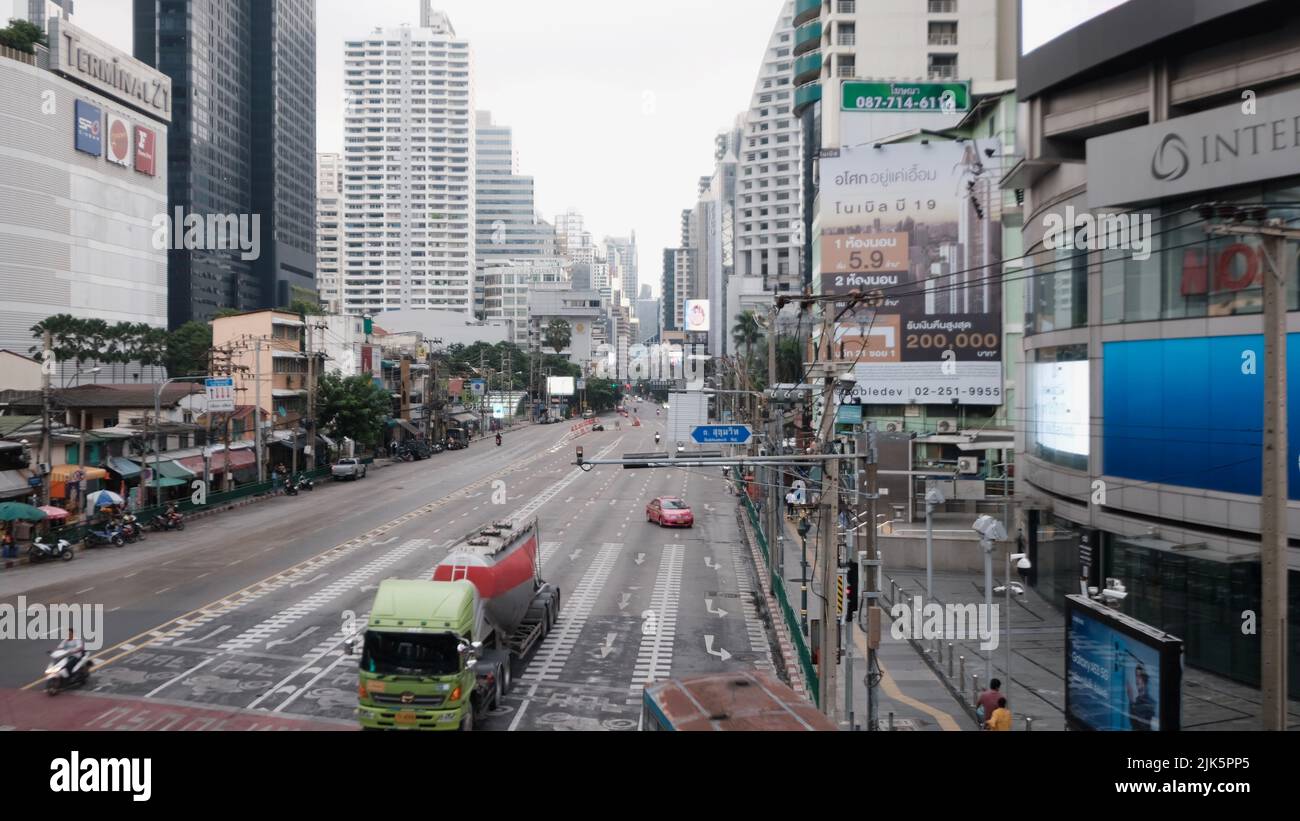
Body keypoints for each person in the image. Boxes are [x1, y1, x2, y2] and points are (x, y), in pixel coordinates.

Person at [1128, 664, 1155, 731]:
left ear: (1144, 679)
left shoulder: (1150, 702)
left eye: (1139, 676)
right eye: (1136, 676)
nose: (1137, 679)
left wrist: (1131, 701)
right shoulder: (1137, 700)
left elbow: (1142, 725)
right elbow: (1133, 724)